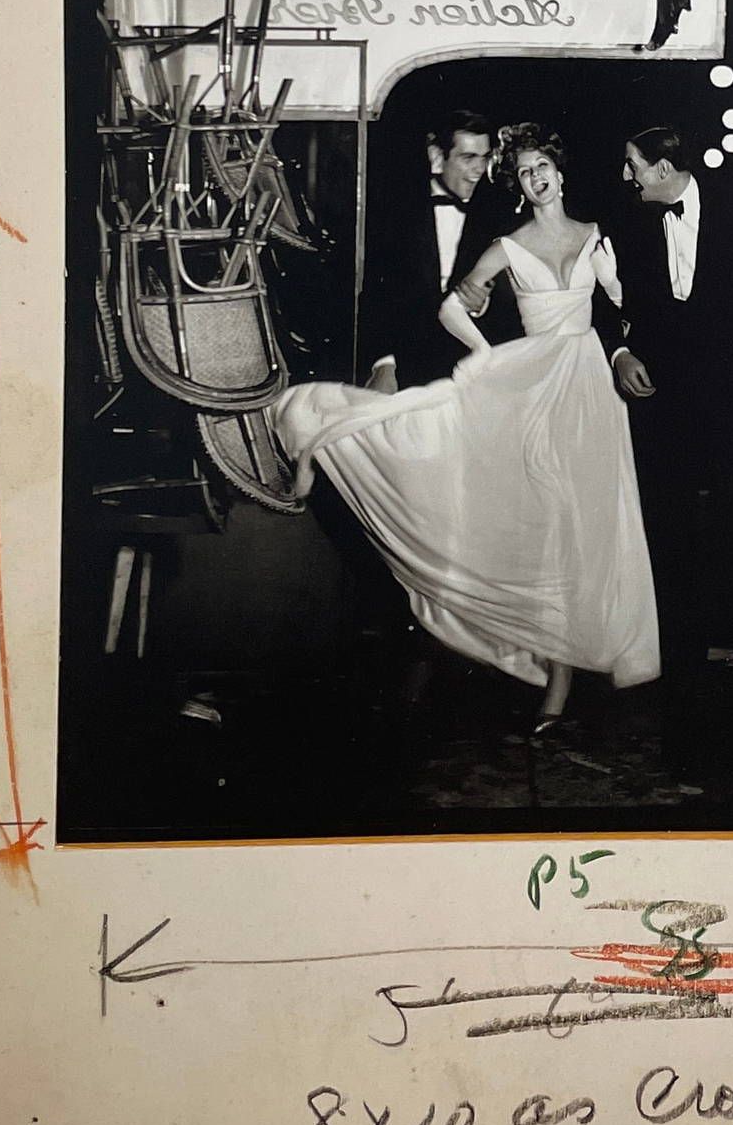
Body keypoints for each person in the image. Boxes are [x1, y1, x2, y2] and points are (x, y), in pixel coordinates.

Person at [273, 123, 659, 736]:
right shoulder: (507, 245)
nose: (535, 179)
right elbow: (453, 305)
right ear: (520, 185)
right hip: (533, 384)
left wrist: (622, 343)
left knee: (592, 517)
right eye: (524, 173)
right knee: (548, 516)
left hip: (588, 386)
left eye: (542, 169)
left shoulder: (596, 237)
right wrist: (487, 355)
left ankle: (576, 658)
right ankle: (549, 676)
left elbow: (625, 307)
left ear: (559, 173)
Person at [611, 123, 733, 764]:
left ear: (662, 168)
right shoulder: (628, 225)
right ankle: (680, 652)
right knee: (669, 516)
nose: (626, 178)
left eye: (633, 166)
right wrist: (623, 351)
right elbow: (607, 301)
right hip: (666, 401)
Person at [361, 109, 500, 392]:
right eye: (468, 157)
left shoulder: (495, 215)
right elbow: (372, 293)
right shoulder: (393, 211)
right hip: (403, 371)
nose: (479, 170)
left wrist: (480, 305)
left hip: (468, 376)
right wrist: (383, 364)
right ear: (437, 158)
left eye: (484, 158)